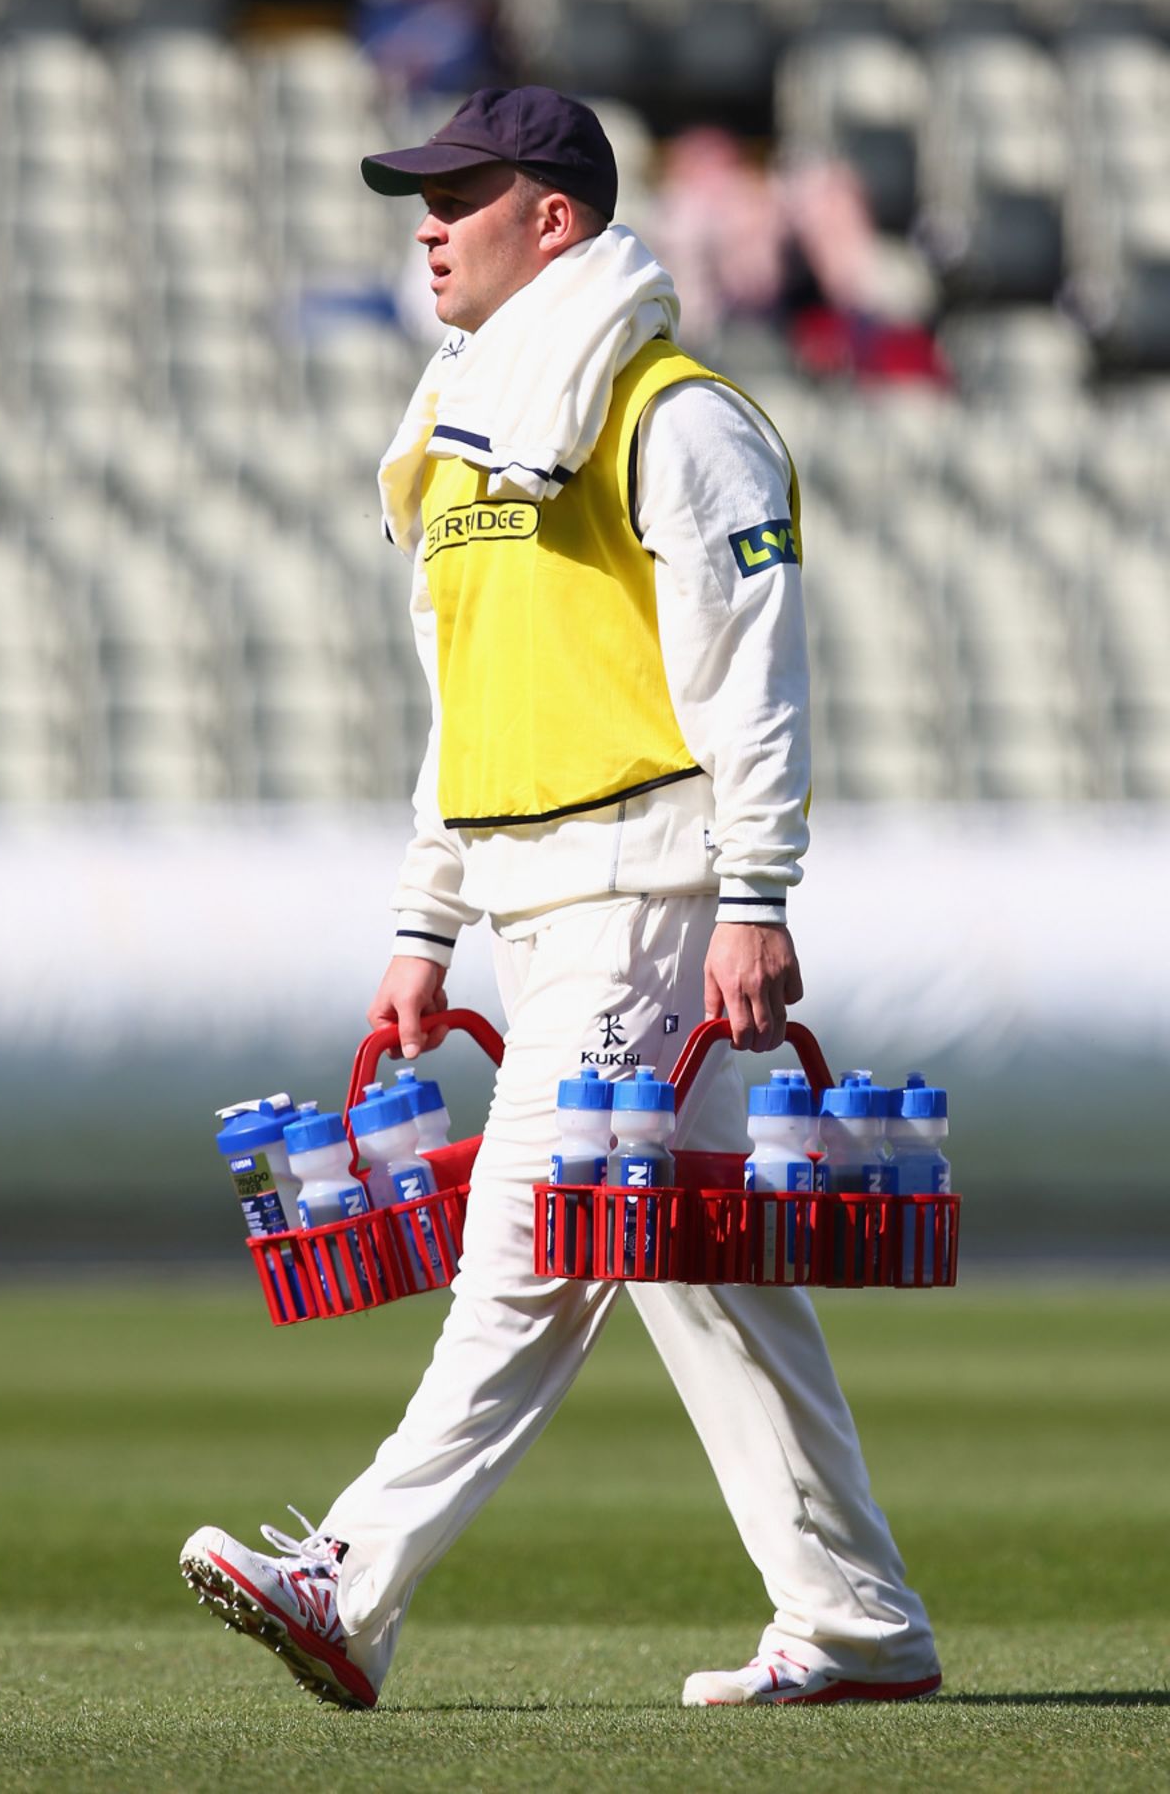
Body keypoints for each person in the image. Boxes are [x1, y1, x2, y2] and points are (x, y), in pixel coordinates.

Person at [180, 86, 941, 1713]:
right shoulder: (467, 435)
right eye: (421, 191)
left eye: (464, 189)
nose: (428, 220)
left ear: (559, 216)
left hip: (649, 893)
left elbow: (756, 683)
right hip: (538, 904)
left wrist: (758, 896)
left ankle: (352, 1581)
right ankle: (860, 1619)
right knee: (689, 1267)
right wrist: (422, 924)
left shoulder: (677, 412)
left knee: (531, 1238)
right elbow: (470, 714)